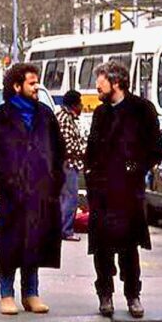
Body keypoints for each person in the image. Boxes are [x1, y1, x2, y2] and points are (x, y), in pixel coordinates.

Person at [0, 64, 65, 315]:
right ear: (17, 86)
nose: (36, 87)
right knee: (9, 243)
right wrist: (2, 185)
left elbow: (58, 152)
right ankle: (6, 294)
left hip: (41, 191)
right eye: (31, 83)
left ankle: (31, 293)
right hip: (11, 193)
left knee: (35, 242)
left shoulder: (45, 115)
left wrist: (54, 182)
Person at [85, 61, 162, 319]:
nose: (97, 85)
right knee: (102, 248)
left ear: (116, 82)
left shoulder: (142, 110)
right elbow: (92, 150)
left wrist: (136, 168)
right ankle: (104, 294)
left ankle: (133, 295)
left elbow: (155, 148)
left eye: (101, 80)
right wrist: (90, 177)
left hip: (128, 190)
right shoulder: (101, 113)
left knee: (129, 247)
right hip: (103, 191)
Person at [56, 89, 87, 242]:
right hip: (67, 164)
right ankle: (66, 230)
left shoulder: (66, 117)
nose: (82, 106)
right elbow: (68, 146)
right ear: (74, 105)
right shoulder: (65, 119)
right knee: (71, 197)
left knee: (65, 198)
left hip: (66, 164)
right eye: (80, 103)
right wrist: (85, 150)